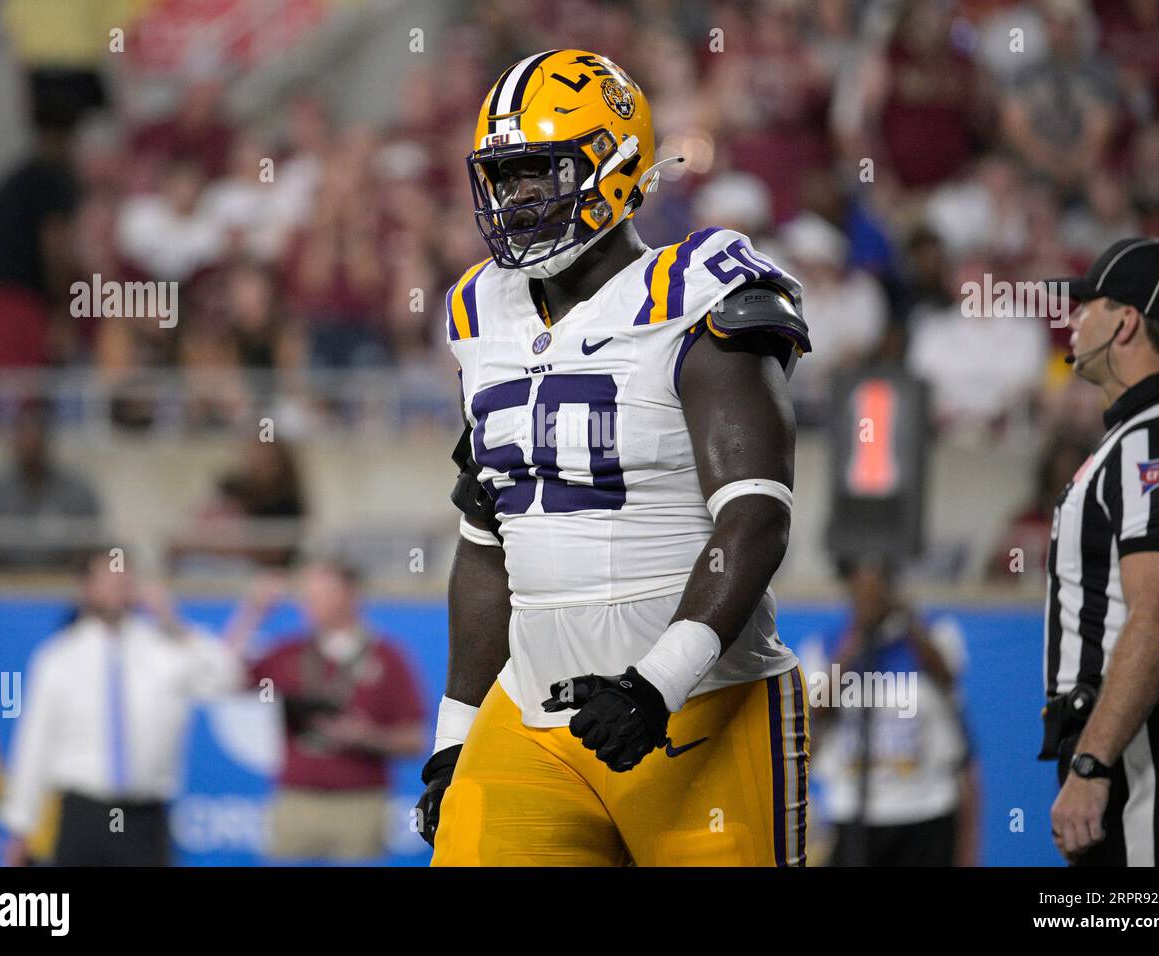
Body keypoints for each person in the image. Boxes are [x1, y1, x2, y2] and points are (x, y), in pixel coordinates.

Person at [417, 50, 813, 866]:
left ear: (617, 164)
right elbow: (486, 539)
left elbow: (757, 517)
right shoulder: (480, 312)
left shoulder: (695, 292)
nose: (516, 197)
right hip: (530, 719)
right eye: (504, 175)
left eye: (539, 171)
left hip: (702, 705)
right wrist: (454, 735)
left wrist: (655, 685)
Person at [1041, 237, 1159, 865]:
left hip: (1145, 747)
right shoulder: (1150, 431)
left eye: (1087, 304)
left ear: (1126, 321)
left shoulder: (1157, 439)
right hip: (1134, 742)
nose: (1073, 319)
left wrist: (1093, 761)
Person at [0, 549, 242, 866]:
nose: (118, 587)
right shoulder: (59, 658)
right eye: (108, 579)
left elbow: (227, 677)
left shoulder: (162, 651)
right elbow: (35, 743)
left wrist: (173, 621)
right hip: (84, 813)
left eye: (124, 578)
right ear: (86, 587)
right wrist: (21, 828)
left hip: (144, 819)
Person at [228, 561, 425, 860]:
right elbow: (225, 676)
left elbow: (414, 740)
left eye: (322, 594)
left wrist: (367, 737)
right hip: (297, 799)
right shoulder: (289, 652)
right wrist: (252, 611)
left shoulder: (387, 658)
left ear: (350, 596)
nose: (310, 603)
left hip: (360, 802)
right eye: (307, 594)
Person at [805, 556, 978, 867]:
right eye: (862, 584)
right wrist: (858, 637)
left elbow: (948, 676)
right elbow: (818, 708)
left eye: (879, 583)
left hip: (926, 810)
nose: (871, 593)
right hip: (853, 813)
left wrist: (907, 618)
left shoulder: (934, 635)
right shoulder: (825, 645)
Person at [0, 404, 104, 570]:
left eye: (36, 437)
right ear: (13, 443)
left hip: (64, 582)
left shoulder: (78, 491)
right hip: (6, 584)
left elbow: (90, 545)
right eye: (24, 437)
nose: (30, 444)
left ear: (47, 441)